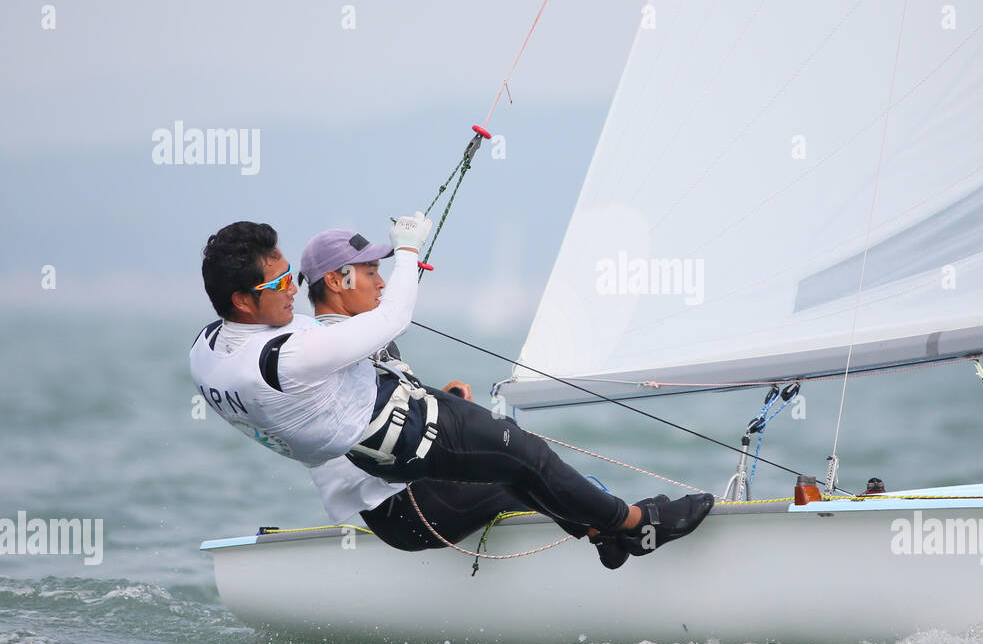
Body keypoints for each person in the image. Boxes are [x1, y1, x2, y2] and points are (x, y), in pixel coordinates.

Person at [189, 216, 712, 570]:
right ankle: (638, 527)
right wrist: (411, 248)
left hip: (394, 483)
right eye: (275, 286)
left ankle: (606, 535)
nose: (289, 292)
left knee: (522, 470)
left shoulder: (210, 350)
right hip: (404, 504)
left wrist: (434, 396)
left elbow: (343, 389)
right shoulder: (303, 351)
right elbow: (391, 316)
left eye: (288, 280)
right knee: (523, 458)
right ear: (239, 300)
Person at [298, 227, 531, 551]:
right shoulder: (324, 349)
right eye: (370, 273)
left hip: (407, 506)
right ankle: (609, 528)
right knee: (530, 475)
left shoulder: (362, 342)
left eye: (380, 273)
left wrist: (443, 402)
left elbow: (385, 415)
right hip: (410, 509)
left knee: (515, 450)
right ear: (336, 282)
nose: (381, 284)